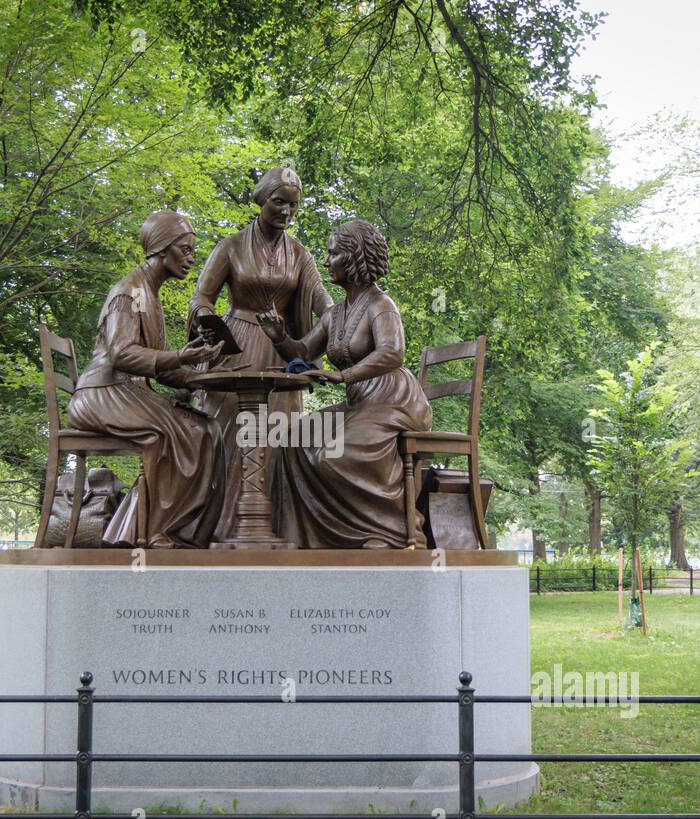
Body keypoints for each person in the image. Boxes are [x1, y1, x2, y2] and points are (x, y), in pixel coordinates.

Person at [256, 219, 432, 548]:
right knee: (290, 440)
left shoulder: (382, 306)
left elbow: (393, 353)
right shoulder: (335, 314)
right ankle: (310, 539)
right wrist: (279, 337)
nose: (326, 262)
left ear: (354, 259)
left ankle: (390, 532)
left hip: (393, 401)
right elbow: (304, 350)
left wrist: (343, 375)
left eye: (333, 254)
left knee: (335, 456)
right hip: (358, 404)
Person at [187, 167, 333, 537]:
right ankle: (220, 528)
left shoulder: (300, 255)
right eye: (278, 202)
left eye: (293, 205)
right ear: (261, 200)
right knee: (226, 433)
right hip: (235, 346)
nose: (286, 212)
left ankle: (270, 526)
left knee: (277, 436)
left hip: (280, 350)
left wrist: (339, 320)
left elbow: (322, 301)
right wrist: (207, 320)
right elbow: (203, 296)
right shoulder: (231, 247)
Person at [66, 211, 226, 548]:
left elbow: (162, 367)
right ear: (162, 249)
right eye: (185, 249)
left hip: (128, 392)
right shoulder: (129, 292)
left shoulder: (150, 295)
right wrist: (182, 357)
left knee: (207, 429)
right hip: (103, 394)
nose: (191, 258)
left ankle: (181, 529)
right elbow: (122, 354)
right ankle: (152, 530)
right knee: (168, 433)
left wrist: (202, 375)